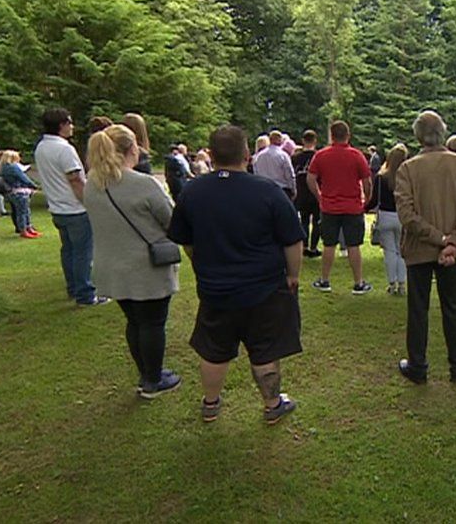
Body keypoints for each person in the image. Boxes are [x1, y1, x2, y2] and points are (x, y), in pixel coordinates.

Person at [168, 125, 304, 424]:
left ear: (212, 155)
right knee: (266, 349)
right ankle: (272, 405)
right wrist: (293, 274)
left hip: (216, 288)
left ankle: (211, 404)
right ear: (247, 154)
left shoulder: (192, 192)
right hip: (265, 289)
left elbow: (185, 240)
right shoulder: (268, 191)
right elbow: (293, 239)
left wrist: (200, 262)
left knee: (214, 350)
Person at [83, 124, 181, 399]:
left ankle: (146, 373)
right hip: (144, 267)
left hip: (110, 265)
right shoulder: (142, 183)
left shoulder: (93, 183)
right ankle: (152, 380)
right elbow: (171, 220)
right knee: (152, 323)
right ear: (132, 149)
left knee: (135, 322)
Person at [394, 110, 456, 384]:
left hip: (422, 248)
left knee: (418, 308)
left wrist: (445, 240)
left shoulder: (408, 168)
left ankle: (418, 366)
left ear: (418, 136)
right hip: (450, 251)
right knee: (453, 306)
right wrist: (451, 241)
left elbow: (407, 215)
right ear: (442, 132)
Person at [34, 108, 107, 306]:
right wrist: (89, 202)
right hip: (75, 208)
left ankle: (73, 288)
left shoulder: (41, 147)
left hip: (58, 208)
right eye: (70, 123)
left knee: (69, 251)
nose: (72, 127)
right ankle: (85, 294)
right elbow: (75, 180)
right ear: (62, 125)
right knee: (83, 252)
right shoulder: (64, 149)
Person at [307, 121, 373, 295]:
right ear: (348, 135)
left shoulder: (321, 155)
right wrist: (366, 199)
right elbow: (367, 182)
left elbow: (310, 178)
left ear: (331, 135)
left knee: (329, 244)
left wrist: (319, 196)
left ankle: (325, 280)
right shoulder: (357, 155)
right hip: (352, 206)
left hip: (329, 206)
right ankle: (358, 282)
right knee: (354, 245)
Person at [366, 144, 409, 295]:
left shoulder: (381, 177)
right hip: (403, 216)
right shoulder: (408, 178)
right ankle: (402, 284)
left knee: (389, 252)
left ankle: (392, 284)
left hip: (385, 216)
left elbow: (373, 200)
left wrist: (364, 208)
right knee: (401, 252)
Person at [0, 150, 41, 239]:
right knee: (23, 212)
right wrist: (34, 185)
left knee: (23, 211)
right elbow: (23, 178)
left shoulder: (3, 167)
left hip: (12, 191)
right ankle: (24, 230)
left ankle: (28, 228)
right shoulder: (13, 167)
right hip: (19, 191)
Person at [293, 130, 322, 258]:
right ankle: (314, 247)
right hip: (316, 192)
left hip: (301, 193)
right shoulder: (319, 157)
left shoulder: (295, 158)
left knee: (304, 220)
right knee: (317, 221)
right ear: (315, 141)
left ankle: (304, 246)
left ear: (303, 140)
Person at [253, 130, 296, 199]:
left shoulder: (259, 156)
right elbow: (289, 173)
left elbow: (256, 172)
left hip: (264, 190)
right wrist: (293, 189)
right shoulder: (283, 155)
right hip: (281, 190)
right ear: (280, 140)